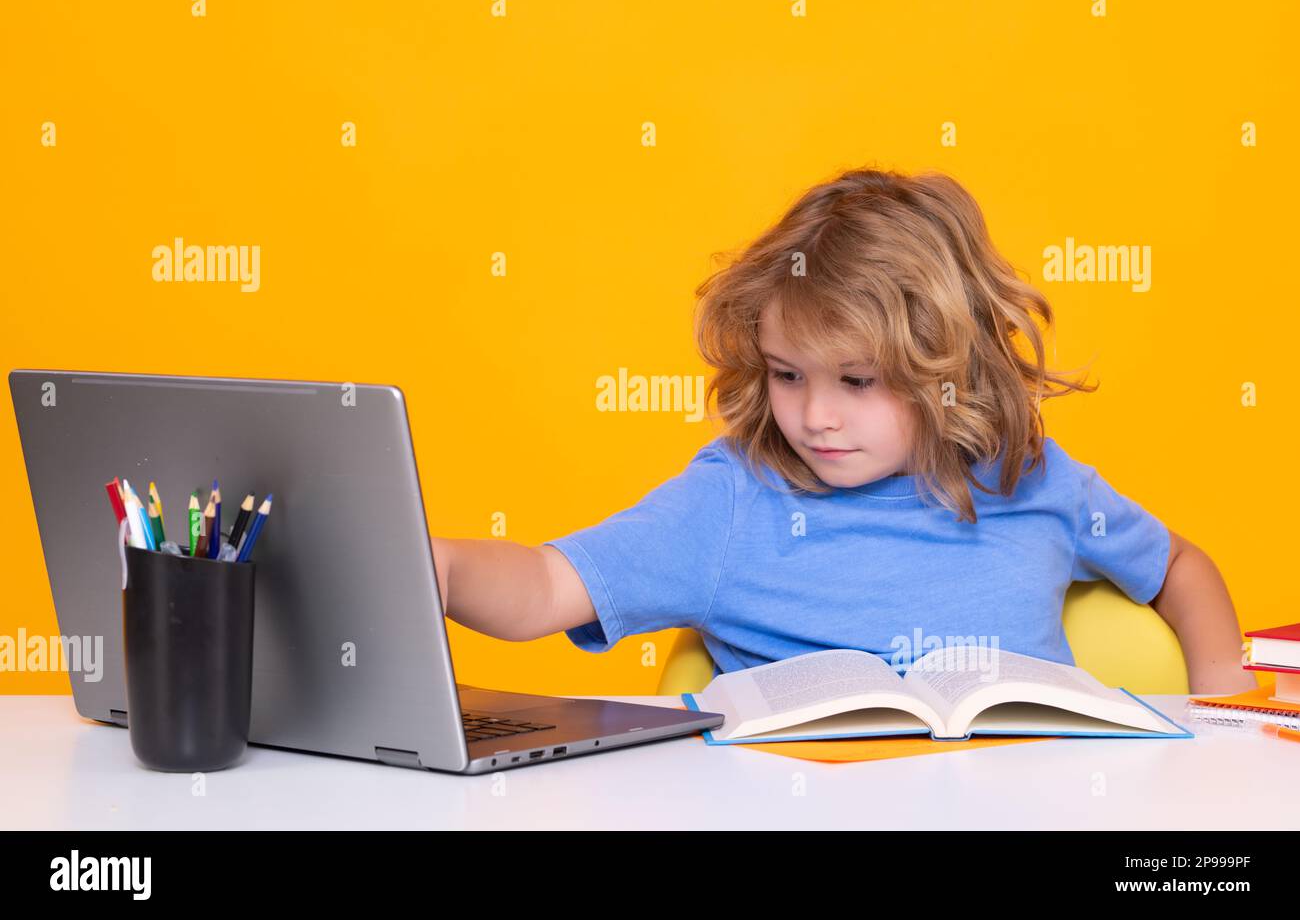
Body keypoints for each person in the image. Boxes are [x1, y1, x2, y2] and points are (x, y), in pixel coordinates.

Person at [432, 166, 1255, 696]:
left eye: (858, 382)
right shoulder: (733, 501)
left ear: (946, 367)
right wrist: (434, 565)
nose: (814, 417)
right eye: (787, 374)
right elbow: (544, 586)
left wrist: (1223, 701)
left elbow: (1177, 564)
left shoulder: (1032, 481)